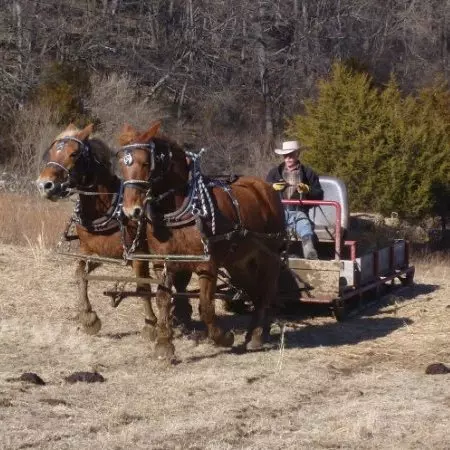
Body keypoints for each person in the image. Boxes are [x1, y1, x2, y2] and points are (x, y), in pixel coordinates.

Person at [266, 140, 323, 259]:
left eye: (291, 155)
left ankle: (309, 251)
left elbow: (319, 195)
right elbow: (264, 193)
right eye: (285, 155)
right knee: (268, 228)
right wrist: (272, 188)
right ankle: (270, 254)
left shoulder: (308, 173)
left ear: (297, 154)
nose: (288, 158)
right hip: (278, 211)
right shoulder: (274, 173)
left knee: (305, 225)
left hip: (299, 211)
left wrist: (307, 189)